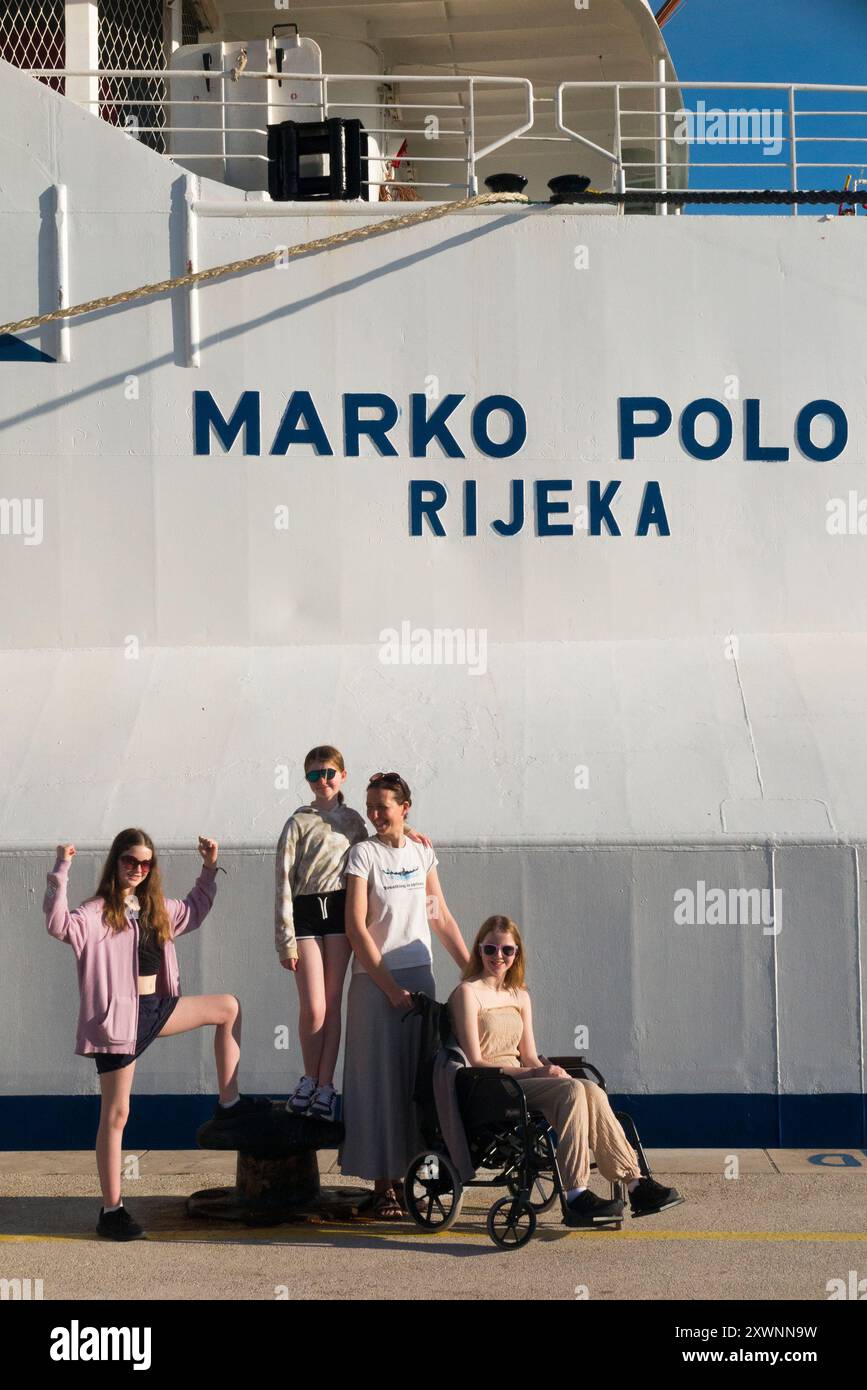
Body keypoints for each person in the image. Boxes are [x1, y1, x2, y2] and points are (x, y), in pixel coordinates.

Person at [44, 829, 268, 1242]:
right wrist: (62, 868)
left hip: (157, 1008)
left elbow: (194, 910)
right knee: (117, 1115)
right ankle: (112, 1211)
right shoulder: (96, 912)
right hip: (118, 1022)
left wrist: (208, 868)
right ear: (116, 862)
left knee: (228, 1008)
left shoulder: (155, 909)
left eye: (146, 863)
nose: (138, 869)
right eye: (130, 861)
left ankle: (229, 1103)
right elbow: (58, 925)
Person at [449, 914, 683, 1227]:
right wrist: (534, 1075)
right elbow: (475, 1061)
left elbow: (529, 1054)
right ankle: (576, 1195)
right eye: (490, 949)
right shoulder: (467, 993)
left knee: (589, 1088)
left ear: (517, 953)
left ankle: (635, 1184)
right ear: (479, 950)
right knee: (573, 1091)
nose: (498, 957)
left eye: (507, 950)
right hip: (493, 1084)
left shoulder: (519, 994)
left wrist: (547, 1069)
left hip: (523, 1081)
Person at [275, 745, 431, 1121]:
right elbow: (282, 880)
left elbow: (384, 828)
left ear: (342, 776)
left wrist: (410, 830)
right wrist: (285, 937)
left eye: (329, 773)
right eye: (314, 775)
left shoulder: (354, 821)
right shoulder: (298, 822)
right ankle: (309, 1077)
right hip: (308, 915)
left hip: (339, 914)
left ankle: (327, 1086)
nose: (322, 780)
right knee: (313, 1006)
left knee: (332, 1004)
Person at [339, 772, 470, 1218]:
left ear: (405, 807)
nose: (375, 814)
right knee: (379, 1084)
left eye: (384, 806)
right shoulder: (362, 855)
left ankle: (420, 1177)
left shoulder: (422, 851)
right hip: (376, 987)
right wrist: (390, 987)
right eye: (370, 805)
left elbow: (439, 914)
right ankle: (384, 1188)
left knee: (419, 1085)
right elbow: (357, 927)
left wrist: (472, 970)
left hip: (421, 983)